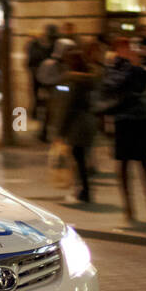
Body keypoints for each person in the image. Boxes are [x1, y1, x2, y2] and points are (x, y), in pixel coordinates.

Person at [100, 36, 146, 222]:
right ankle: (129, 206)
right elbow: (112, 86)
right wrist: (133, 67)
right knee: (124, 164)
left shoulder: (138, 65)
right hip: (123, 120)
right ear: (117, 49)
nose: (128, 50)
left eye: (130, 47)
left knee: (144, 162)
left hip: (141, 119)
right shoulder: (114, 68)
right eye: (124, 47)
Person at [60, 42, 103, 203]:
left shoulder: (73, 81)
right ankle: (85, 189)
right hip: (90, 121)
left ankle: (84, 191)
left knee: (78, 158)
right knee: (83, 157)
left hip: (77, 124)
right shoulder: (90, 78)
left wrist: (61, 130)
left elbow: (68, 106)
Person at [26, 24, 57, 140]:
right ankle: (43, 131)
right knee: (44, 105)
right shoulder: (38, 48)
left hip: (45, 81)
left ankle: (44, 130)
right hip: (43, 81)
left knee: (45, 106)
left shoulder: (47, 48)